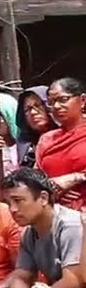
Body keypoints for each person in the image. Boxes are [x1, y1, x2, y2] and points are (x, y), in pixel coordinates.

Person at [35, 77, 86, 211]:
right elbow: (34, 180)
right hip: (54, 215)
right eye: (51, 102)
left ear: (82, 101)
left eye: (63, 100)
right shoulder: (47, 140)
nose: (56, 106)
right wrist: (51, 189)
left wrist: (75, 178)